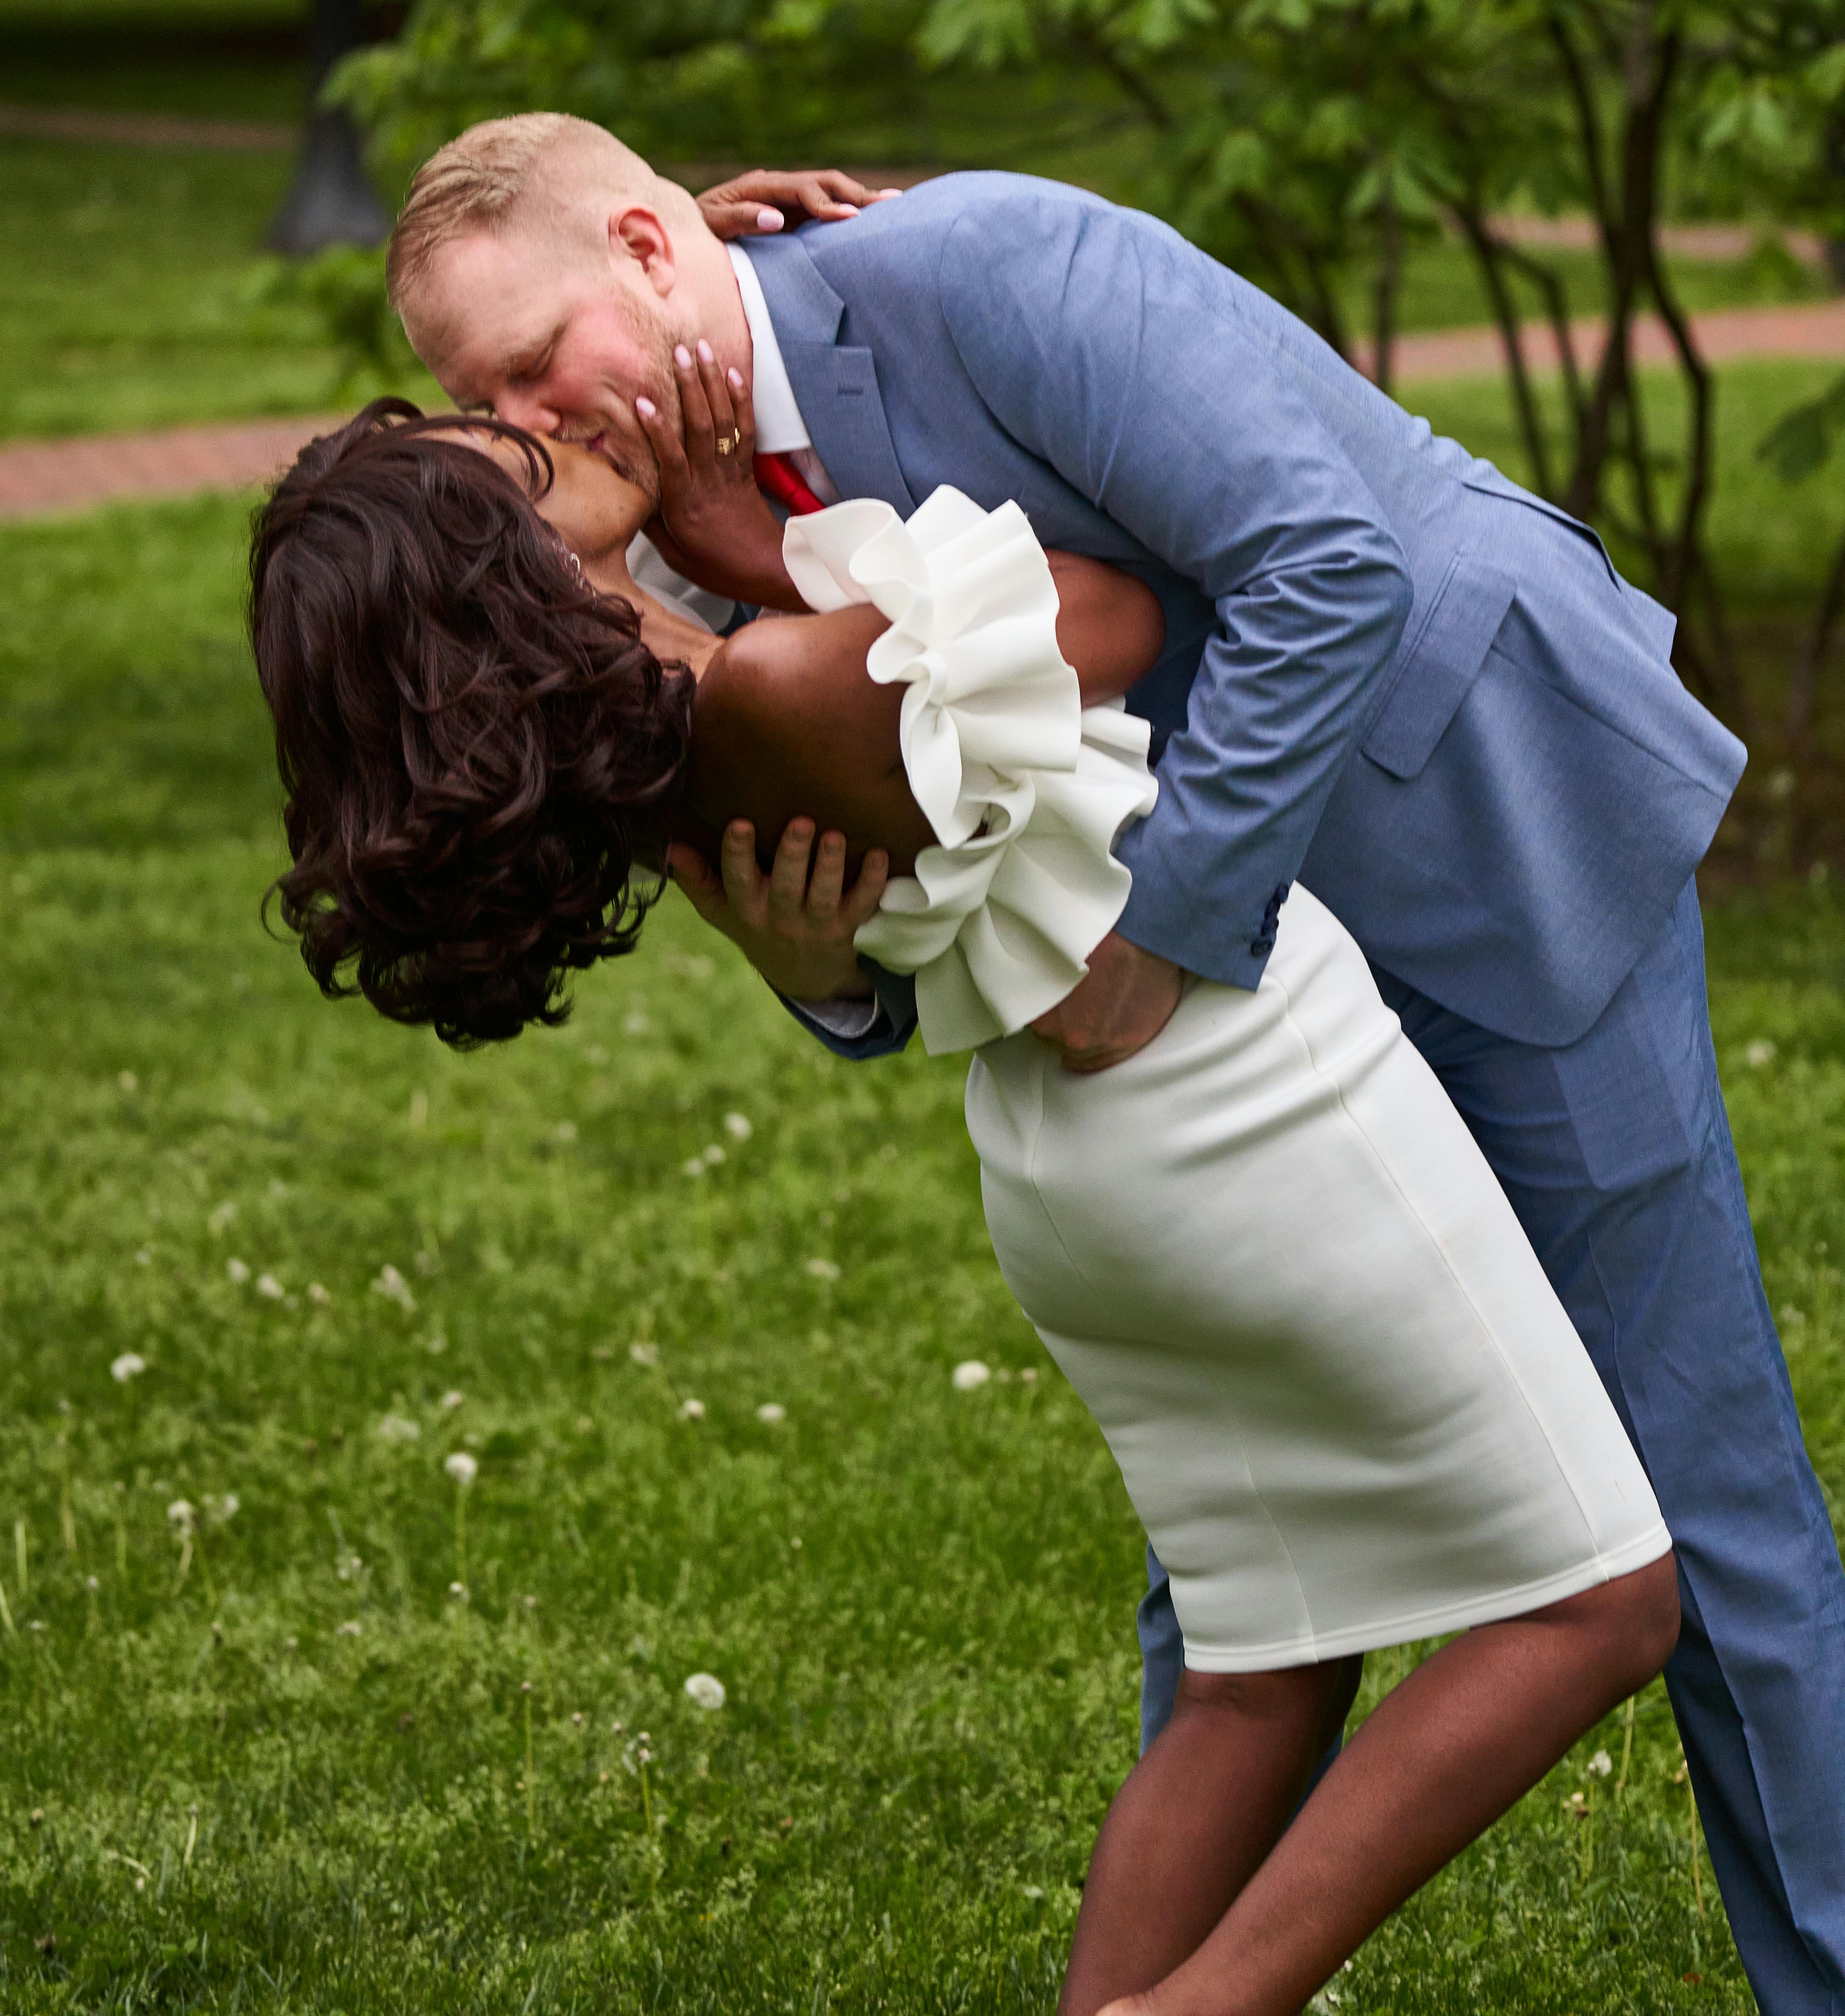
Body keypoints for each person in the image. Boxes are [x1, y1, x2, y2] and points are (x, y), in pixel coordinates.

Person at [377, 111, 1845, 2016]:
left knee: (1699, 1498)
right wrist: (825, 974)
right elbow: (911, 894)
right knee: (1245, 1571)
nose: (532, 419)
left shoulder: (992, 267)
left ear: (655, 254)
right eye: (478, 398)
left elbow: (1323, 569)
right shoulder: (676, 575)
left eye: (531, 357)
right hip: (1233, 1031)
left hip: (1476, 826)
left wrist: (1161, 939)